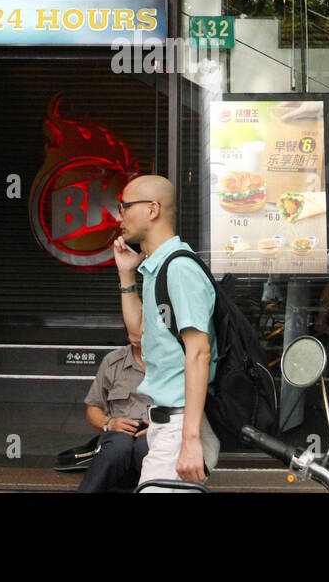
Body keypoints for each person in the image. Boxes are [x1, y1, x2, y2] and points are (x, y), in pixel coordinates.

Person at [113, 174, 219, 491]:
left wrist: (189, 440)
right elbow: (138, 335)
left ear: (153, 209)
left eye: (125, 206)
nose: (119, 216)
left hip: (181, 426)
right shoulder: (158, 267)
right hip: (166, 424)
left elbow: (199, 352)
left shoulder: (179, 268)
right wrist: (126, 275)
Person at [78, 326, 150, 493]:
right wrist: (110, 423)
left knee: (146, 446)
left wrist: (162, 427)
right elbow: (93, 409)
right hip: (117, 440)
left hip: (154, 439)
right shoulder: (113, 361)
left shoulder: (172, 362)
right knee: (120, 445)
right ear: (131, 336)